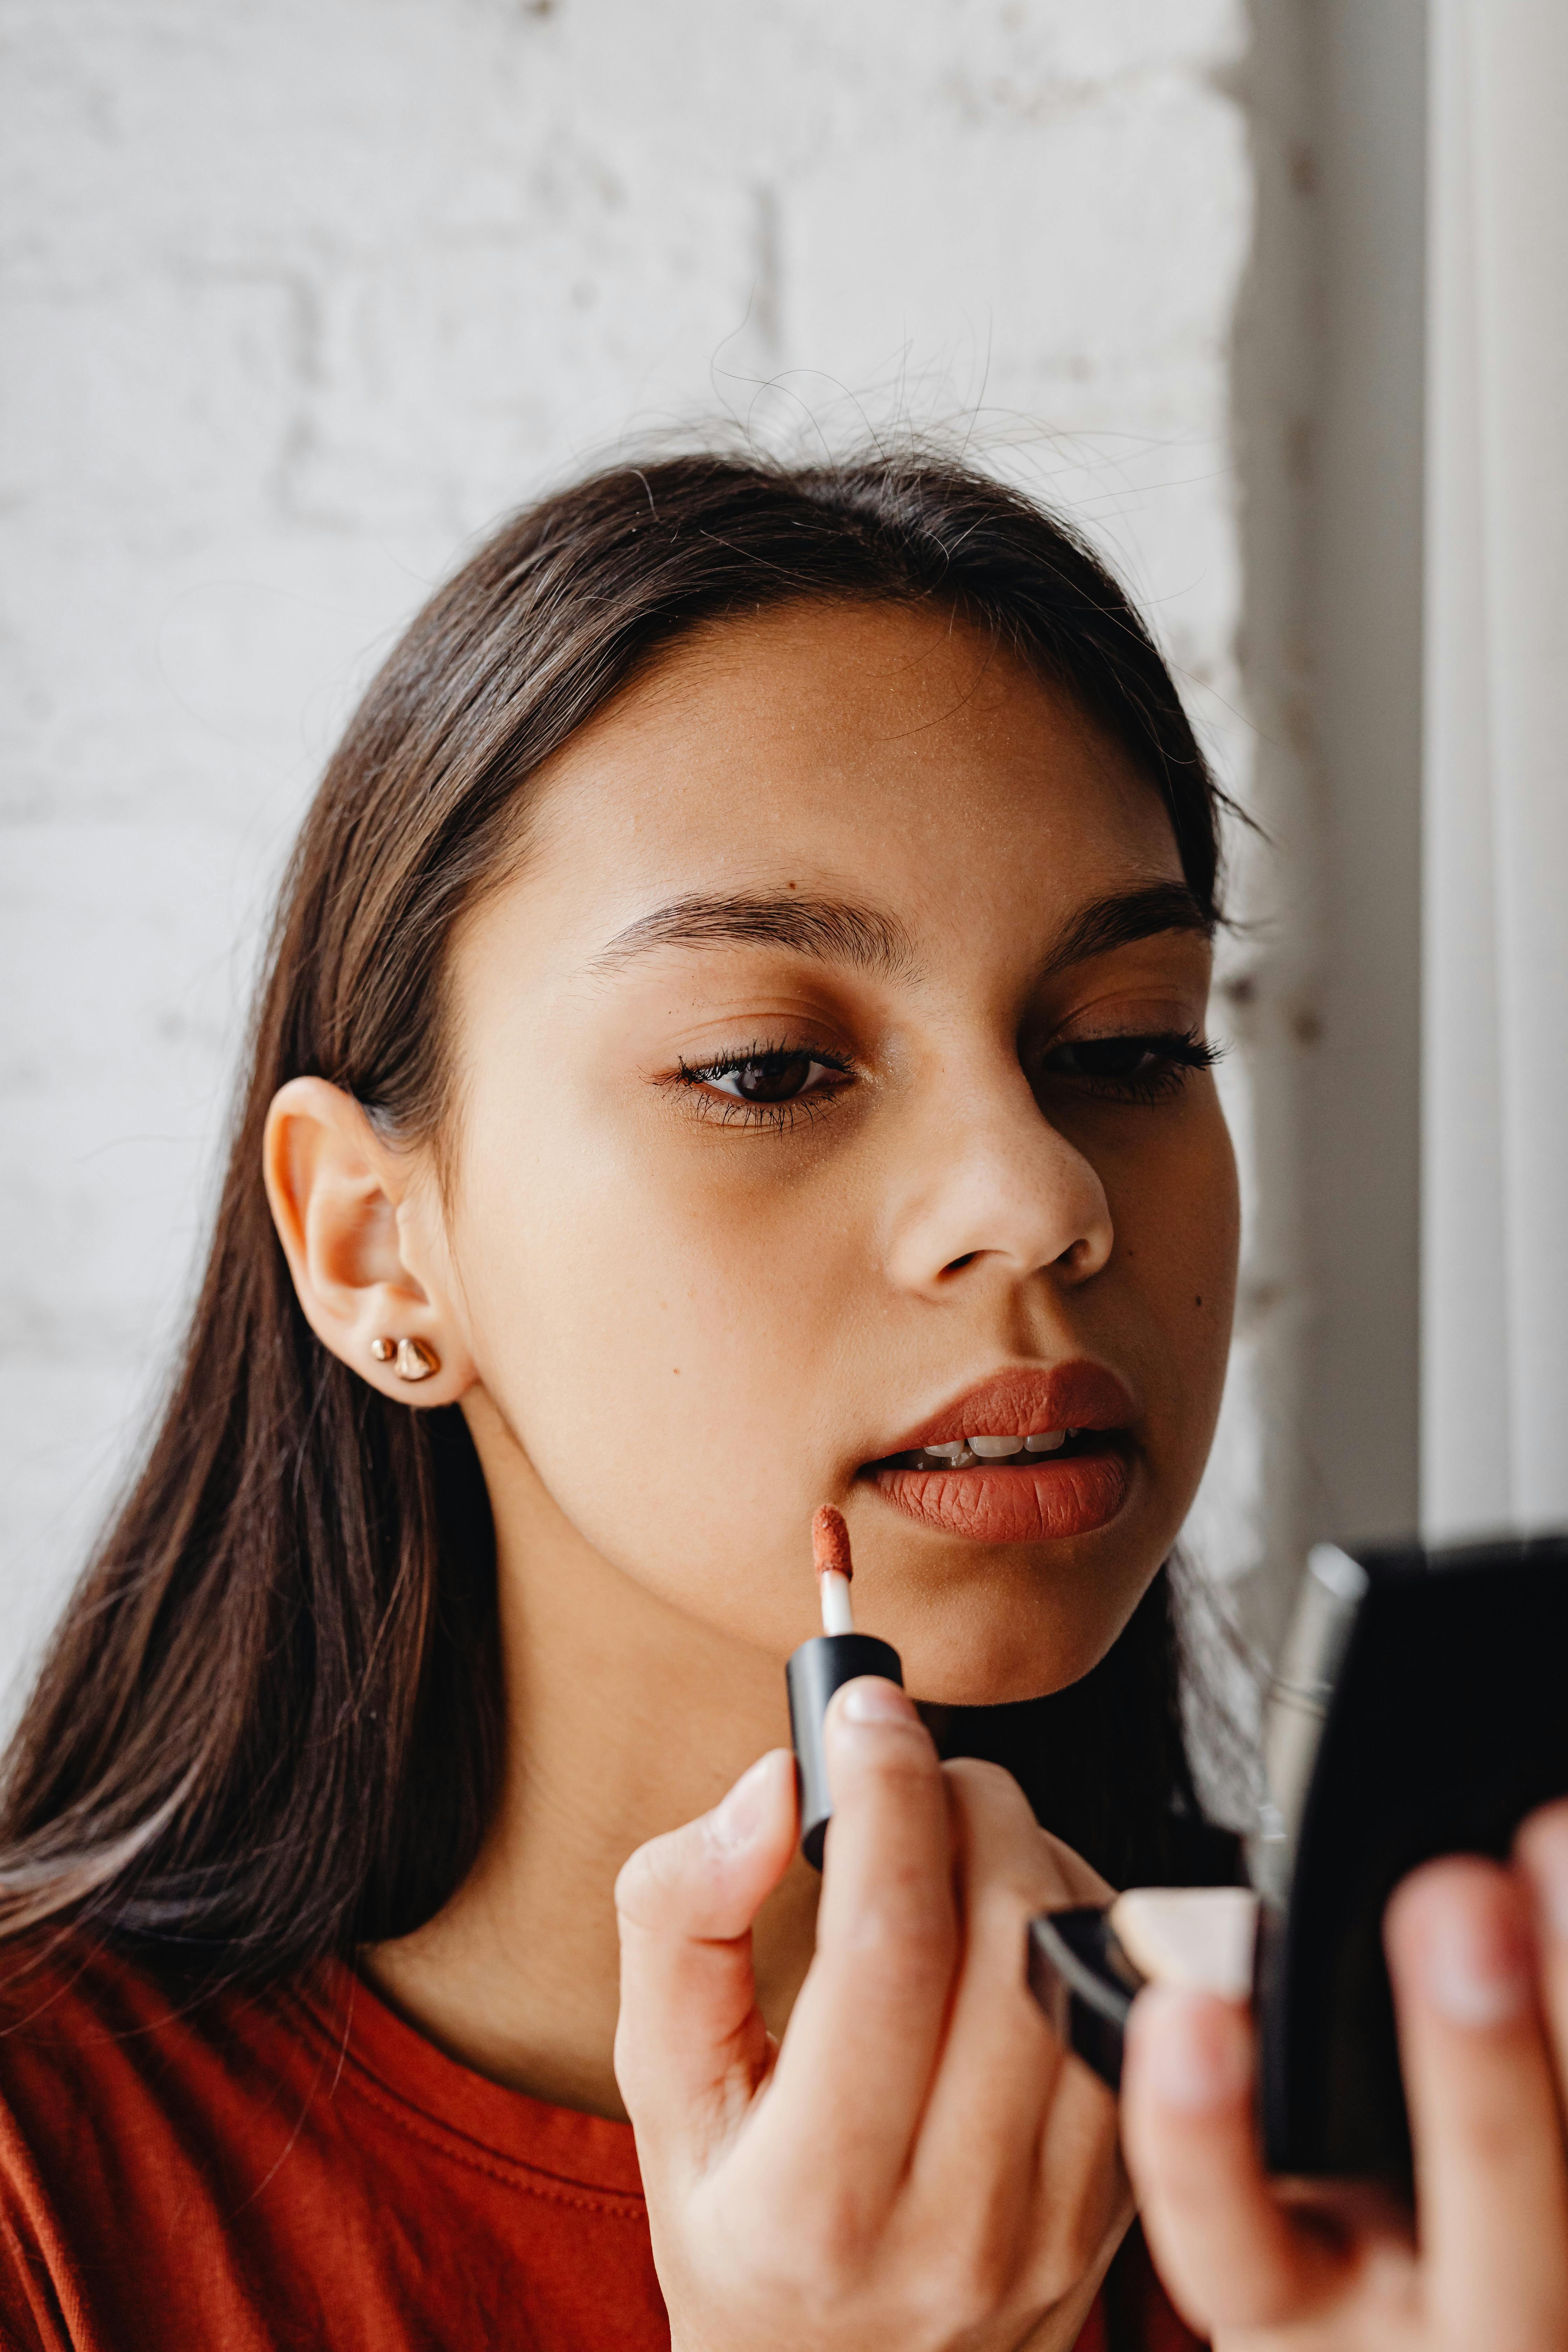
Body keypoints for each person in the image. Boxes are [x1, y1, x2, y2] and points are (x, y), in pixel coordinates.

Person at [1, 451, 1563, 2352]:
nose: (1041, 1197)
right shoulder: (48, 2191)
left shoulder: (1475, 2093)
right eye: (764, 1069)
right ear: (372, 1247)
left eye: (1129, 1046)